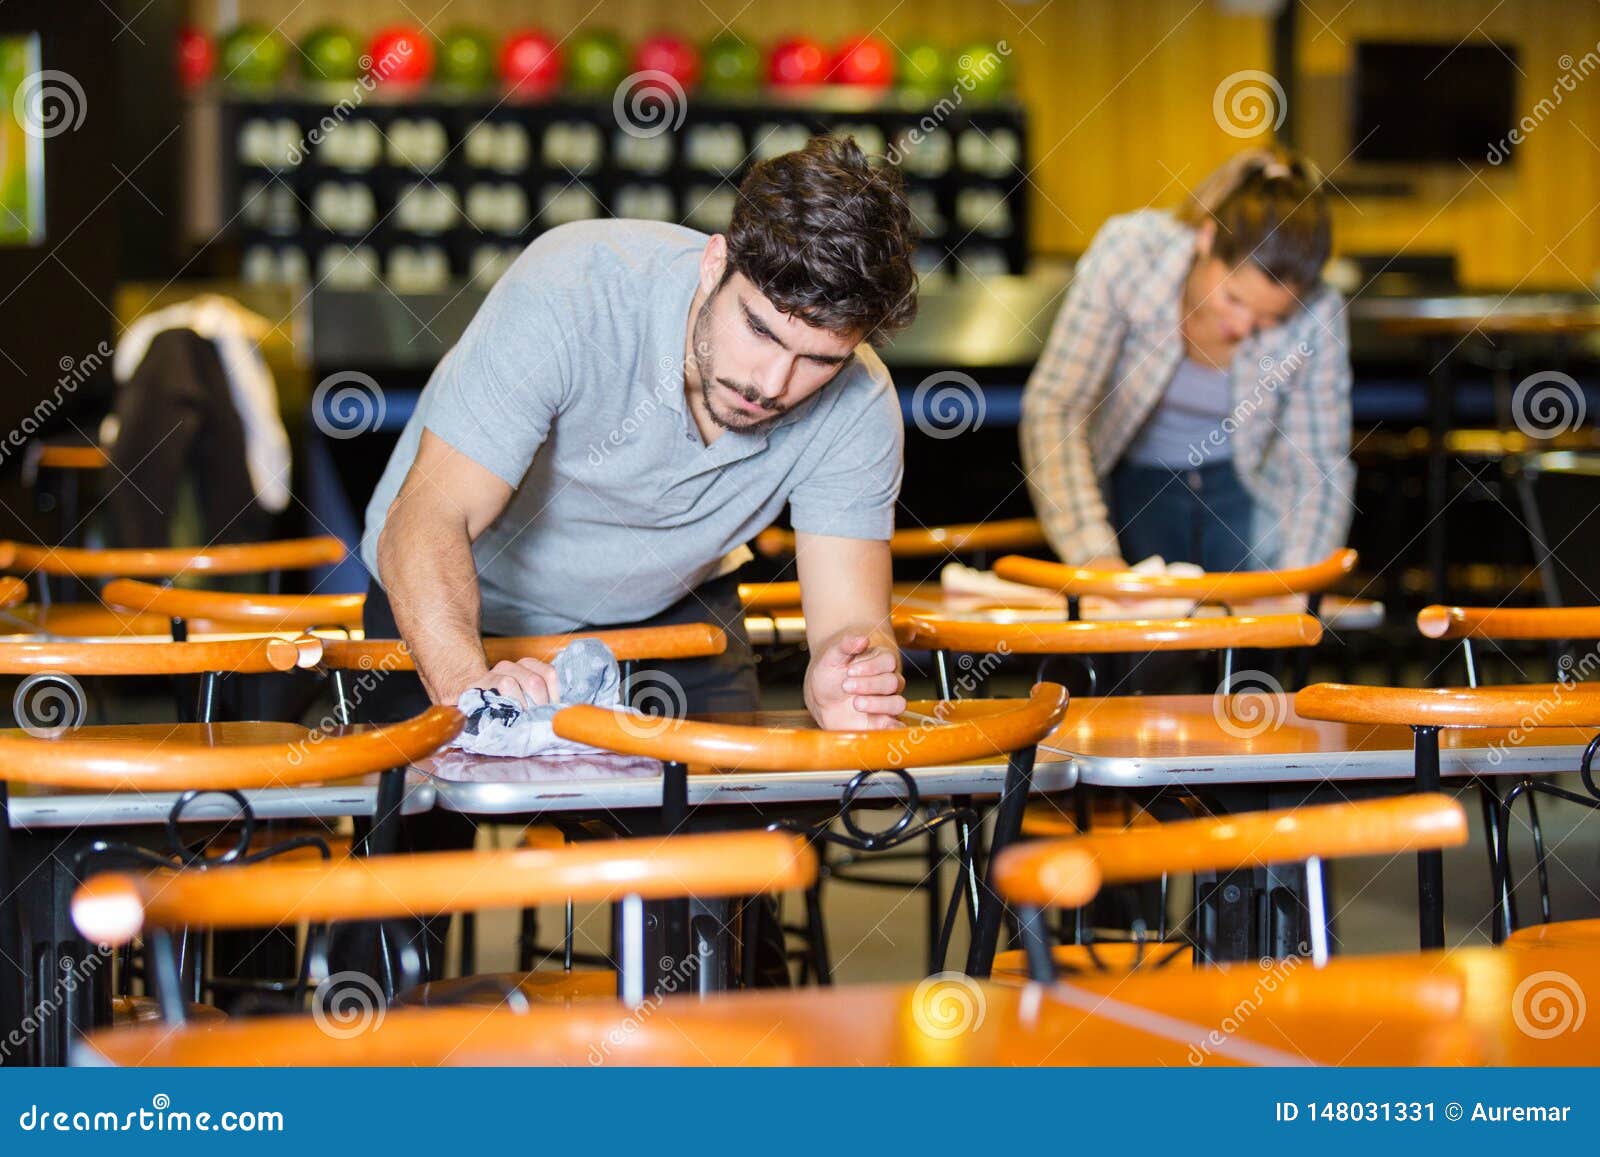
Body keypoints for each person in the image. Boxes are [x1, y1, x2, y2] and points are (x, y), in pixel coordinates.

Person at [359, 135, 916, 731]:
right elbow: (427, 518)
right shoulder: (572, 290)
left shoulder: (860, 400)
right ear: (715, 263)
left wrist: (848, 677)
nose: (771, 384)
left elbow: (851, 623)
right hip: (458, 609)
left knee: (722, 792)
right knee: (436, 786)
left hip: (673, 612)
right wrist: (471, 691)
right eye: (759, 329)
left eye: (819, 360)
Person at [1020, 147, 1353, 573]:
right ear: (1207, 237)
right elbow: (1055, 407)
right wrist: (1093, 554)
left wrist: (1297, 585)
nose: (1243, 327)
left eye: (1270, 317)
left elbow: (1317, 466)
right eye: (1234, 298)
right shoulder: (1131, 255)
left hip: (1246, 492)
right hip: (1134, 483)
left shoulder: (1319, 311)